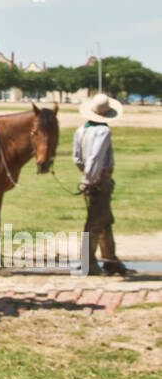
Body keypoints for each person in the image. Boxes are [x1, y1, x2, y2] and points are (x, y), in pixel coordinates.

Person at [73, 91, 129, 276]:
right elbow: (95, 157)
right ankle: (88, 263)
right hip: (99, 180)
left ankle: (110, 259)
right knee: (96, 222)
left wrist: (85, 175)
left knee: (105, 219)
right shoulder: (103, 131)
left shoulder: (81, 130)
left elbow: (77, 158)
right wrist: (90, 179)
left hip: (90, 178)